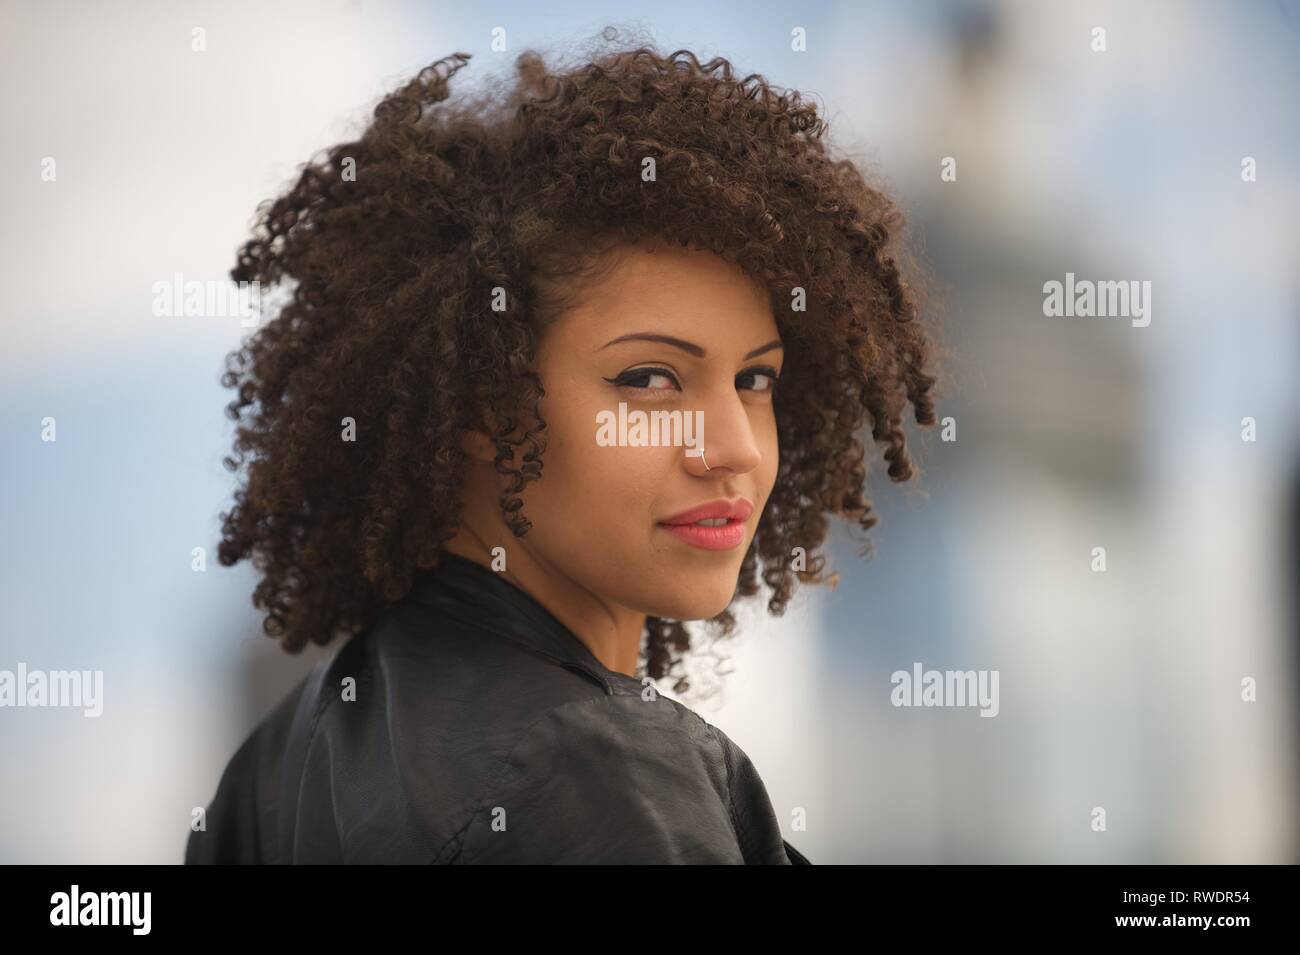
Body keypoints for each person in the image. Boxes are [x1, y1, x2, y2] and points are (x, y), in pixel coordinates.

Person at [186, 35, 939, 864]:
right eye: (650, 379)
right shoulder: (597, 770)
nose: (734, 450)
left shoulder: (269, 773)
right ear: (482, 399)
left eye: (755, 382)